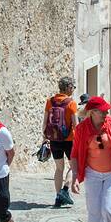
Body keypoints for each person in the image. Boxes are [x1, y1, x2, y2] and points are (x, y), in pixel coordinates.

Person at [42, 76, 79, 207]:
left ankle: (58, 197)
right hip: (69, 140)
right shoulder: (71, 103)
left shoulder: (50, 101)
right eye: (73, 87)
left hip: (54, 140)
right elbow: (76, 125)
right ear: (68, 87)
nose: (73, 89)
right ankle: (65, 190)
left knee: (59, 168)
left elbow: (45, 122)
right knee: (75, 166)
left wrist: (45, 138)